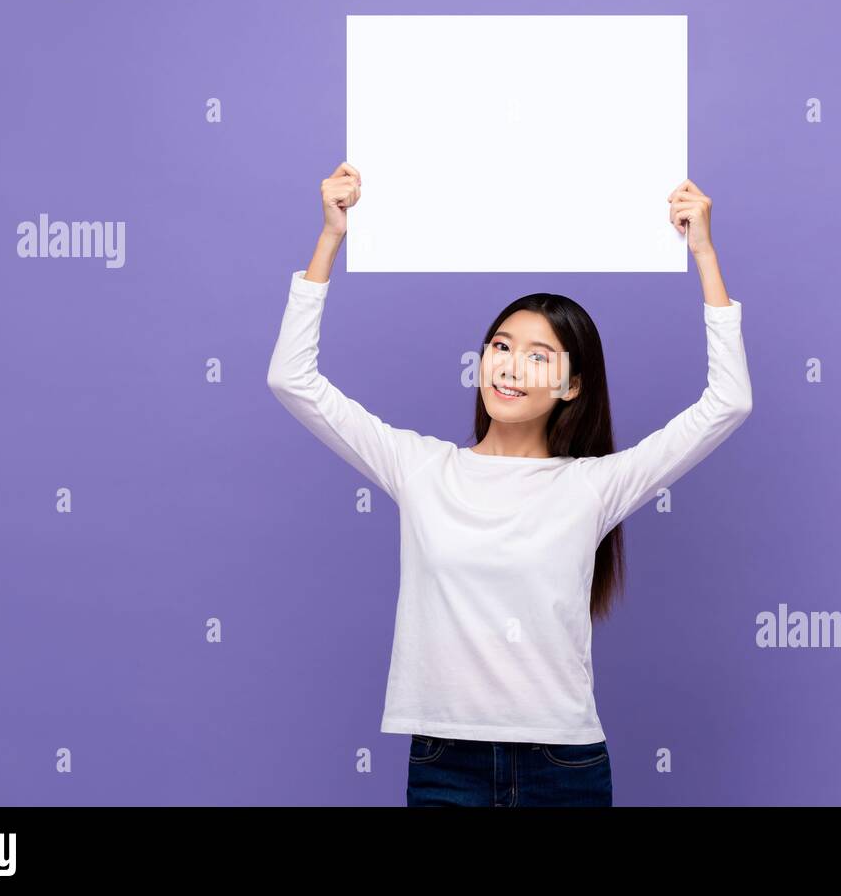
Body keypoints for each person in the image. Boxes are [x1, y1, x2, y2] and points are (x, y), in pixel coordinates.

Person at [266, 161, 753, 806]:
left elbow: (728, 402)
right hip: (444, 759)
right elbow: (291, 379)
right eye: (501, 345)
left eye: (539, 355)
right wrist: (330, 239)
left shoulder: (593, 487)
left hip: (563, 763)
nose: (510, 366)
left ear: (571, 385)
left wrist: (705, 254)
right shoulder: (420, 469)